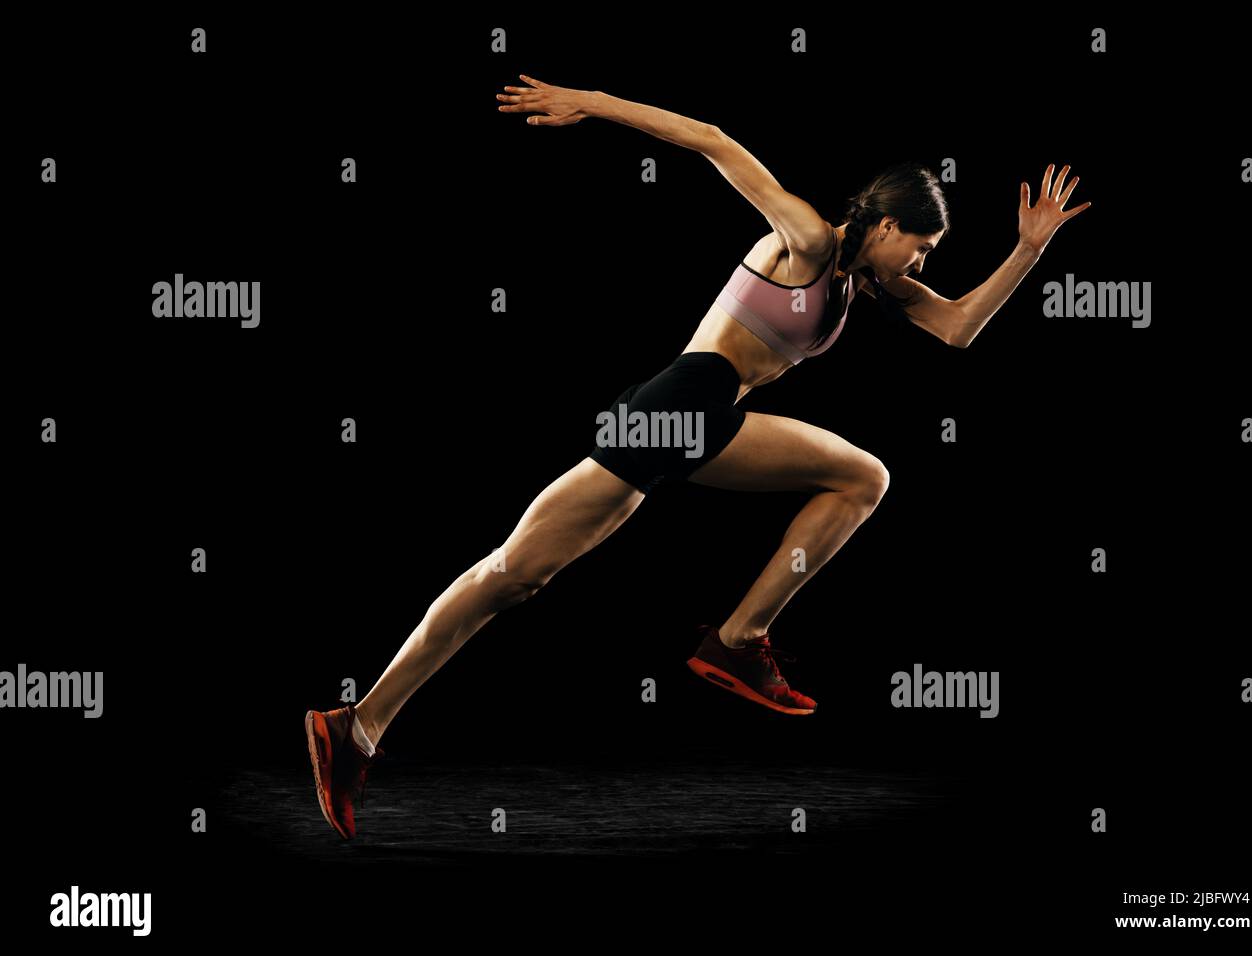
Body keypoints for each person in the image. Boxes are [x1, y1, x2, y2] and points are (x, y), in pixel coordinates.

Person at [305, 74, 1090, 840]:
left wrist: (1028, 250)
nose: (923, 264)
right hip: (685, 402)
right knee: (862, 475)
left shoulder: (869, 289)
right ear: (887, 226)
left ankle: (359, 726)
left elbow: (957, 329)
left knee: (512, 577)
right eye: (923, 248)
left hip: (679, 415)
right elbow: (713, 142)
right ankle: (739, 640)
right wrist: (589, 102)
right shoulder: (810, 241)